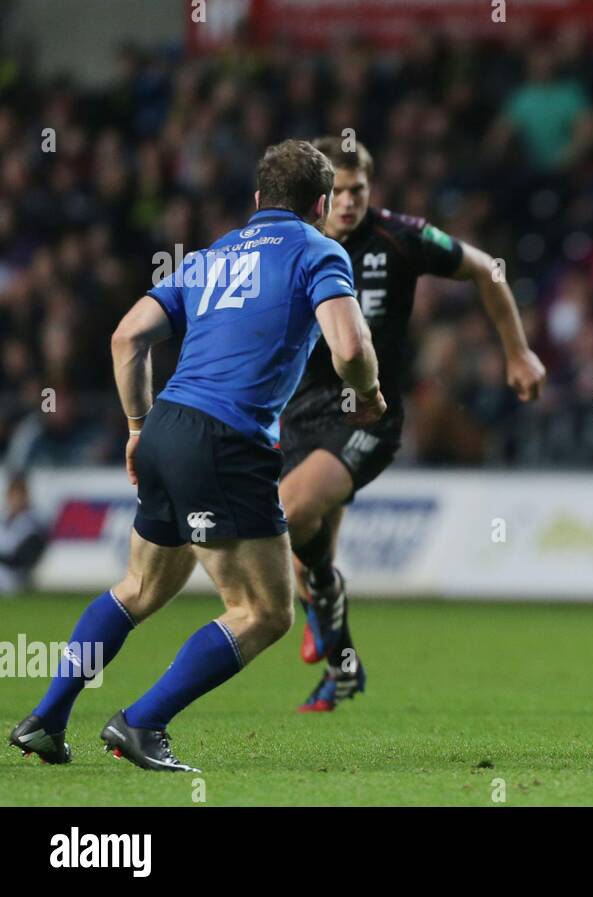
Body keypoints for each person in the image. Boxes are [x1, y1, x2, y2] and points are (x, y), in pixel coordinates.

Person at [8, 140, 384, 771]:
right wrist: (368, 395)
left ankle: (47, 718)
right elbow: (348, 347)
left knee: (140, 587)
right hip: (225, 441)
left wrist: (135, 426)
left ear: (258, 199)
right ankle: (141, 722)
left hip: (166, 428)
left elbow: (128, 335)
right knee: (263, 612)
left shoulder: (214, 254)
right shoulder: (320, 250)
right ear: (320, 206)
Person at [278, 137, 545, 712]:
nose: (347, 202)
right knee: (304, 549)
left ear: (371, 189)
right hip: (297, 411)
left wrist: (517, 353)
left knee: (293, 510)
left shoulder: (401, 236)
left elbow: (486, 269)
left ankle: (324, 600)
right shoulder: (290, 242)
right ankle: (342, 664)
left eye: (358, 190)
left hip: (367, 410)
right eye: (336, 192)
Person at [0, 475, 47, 594]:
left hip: (15, 578)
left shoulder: (32, 522)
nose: (16, 501)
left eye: (19, 497)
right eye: (13, 496)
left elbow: (23, 557)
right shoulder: (3, 519)